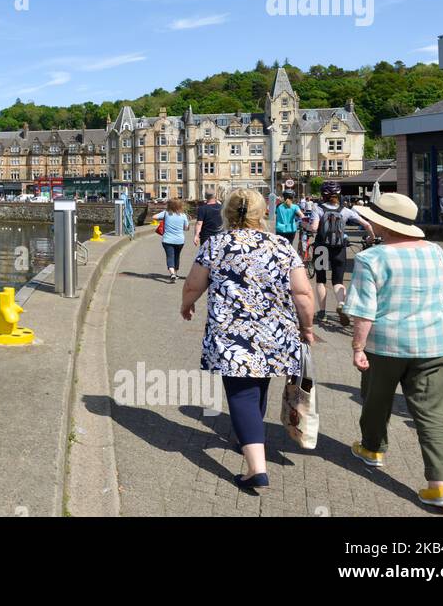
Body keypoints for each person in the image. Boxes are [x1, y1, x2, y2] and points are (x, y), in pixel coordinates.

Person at [180, 188, 316, 492]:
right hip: (275, 334)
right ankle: (249, 439)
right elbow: (304, 294)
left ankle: (257, 467)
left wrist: (186, 305)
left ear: (227, 213)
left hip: (231, 336)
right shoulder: (282, 246)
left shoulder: (215, 245)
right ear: (262, 212)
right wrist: (307, 327)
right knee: (257, 385)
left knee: (241, 394)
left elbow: (192, 284)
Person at [344, 192, 443, 509]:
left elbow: (363, 311)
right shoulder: (435, 252)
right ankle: (440, 485)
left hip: (386, 345)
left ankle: (372, 449)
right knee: (433, 414)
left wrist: (357, 347)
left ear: (381, 224)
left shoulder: (371, 259)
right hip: (435, 344)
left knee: (376, 400)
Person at [307, 180, 374, 327]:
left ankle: (322, 313)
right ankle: (342, 304)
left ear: (323, 195)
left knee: (321, 280)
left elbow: (314, 228)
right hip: (339, 248)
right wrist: (371, 238)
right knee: (338, 281)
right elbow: (367, 224)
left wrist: (307, 226)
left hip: (321, 248)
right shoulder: (346, 210)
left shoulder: (317, 208)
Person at [152, 198, 191, 284]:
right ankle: (175, 273)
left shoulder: (166, 213)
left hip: (167, 240)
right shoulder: (183, 215)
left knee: (170, 256)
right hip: (179, 240)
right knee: (177, 256)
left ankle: (172, 273)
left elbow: (153, 217)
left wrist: (163, 220)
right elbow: (186, 228)